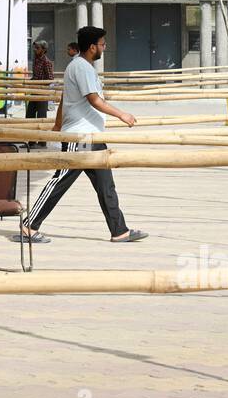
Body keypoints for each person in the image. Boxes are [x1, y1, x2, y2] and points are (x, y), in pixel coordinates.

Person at [19, 25, 147, 244]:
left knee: (106, 184)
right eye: (102, 44)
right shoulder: (81, 68)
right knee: (60, 180)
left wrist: (58, 125)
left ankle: (119, 230)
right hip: (80, 138)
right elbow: (94, 100)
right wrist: (122, 115)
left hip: (92, 137)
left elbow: (64, 99)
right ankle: (28, 226)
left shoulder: (81, 66)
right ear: (91, 47)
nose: (104, 48)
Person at [26, 40, 54, 131]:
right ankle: (31, 141)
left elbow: (50, 79)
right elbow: (35, 76)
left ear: (44, 50)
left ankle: (42, 142)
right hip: (34, 91)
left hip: (42, 93)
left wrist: (38, 83)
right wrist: (30, 82)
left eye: (37, 48)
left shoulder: (47, 62)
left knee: (41, 117)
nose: (35, 50)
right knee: (30, 115)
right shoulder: (36, 60)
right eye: (35, 48)